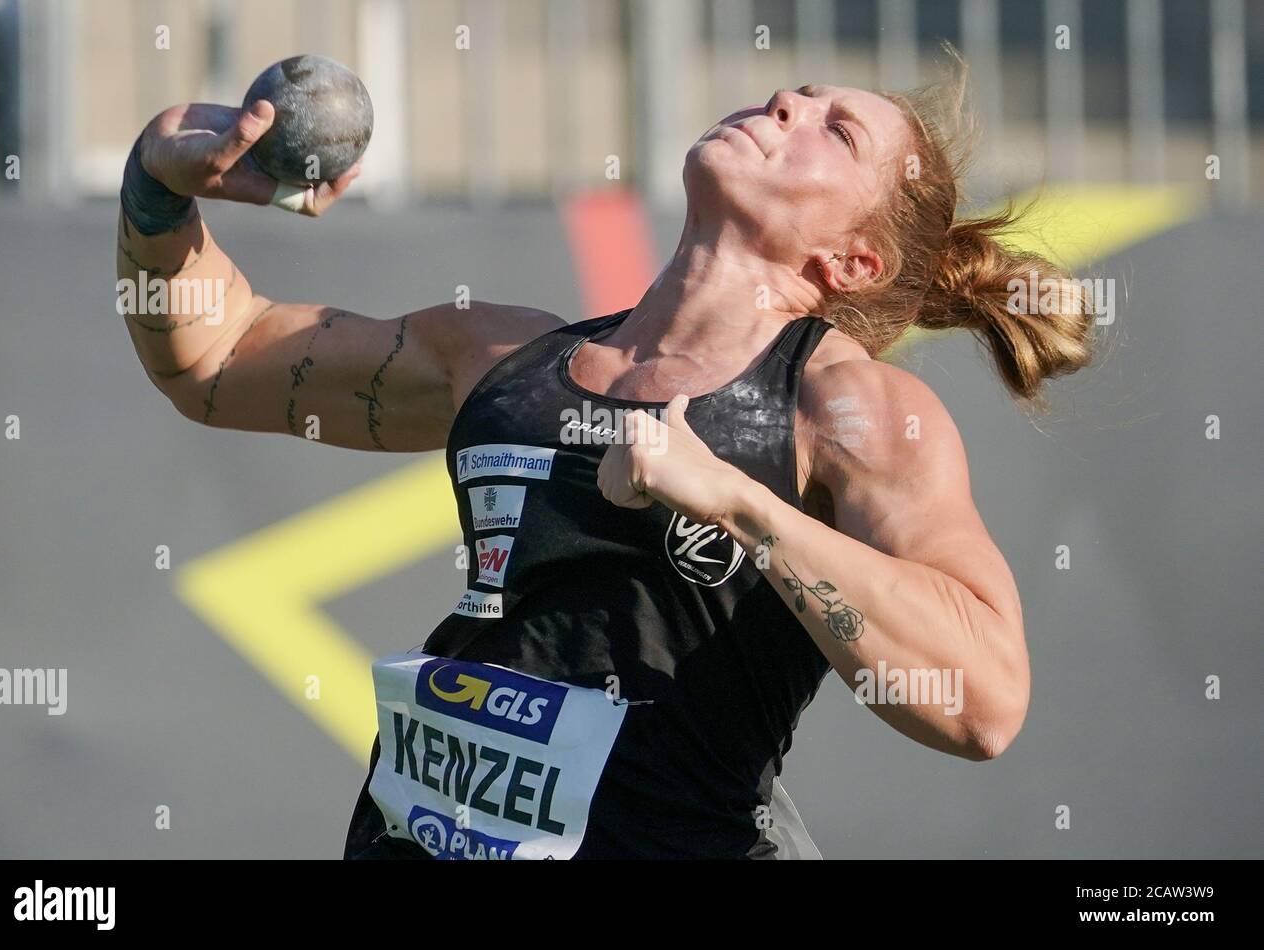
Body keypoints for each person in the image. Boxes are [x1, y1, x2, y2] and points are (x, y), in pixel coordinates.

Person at [115, 70, 1091, 859]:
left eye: (836, 132)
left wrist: (734, 499)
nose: (786, 104)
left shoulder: (847, 410)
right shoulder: (503, 355)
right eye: (795, 94)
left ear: (852, 263)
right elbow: (215, 361)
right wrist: (157, 187)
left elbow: (983, 698)